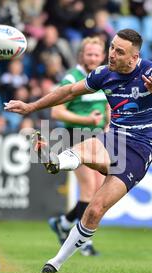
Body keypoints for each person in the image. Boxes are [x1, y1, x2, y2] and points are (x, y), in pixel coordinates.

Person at [5, 29, 152, 273]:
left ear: (133, 57)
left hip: (140, 149)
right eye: (112, 47)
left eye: (120, 51)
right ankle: (55, 161)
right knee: (88, 146)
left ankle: (57, 261)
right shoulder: (103, 74)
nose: (112, 54)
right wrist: (31, 106)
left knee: (95, 210)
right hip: (114, 137)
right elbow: (68, 92)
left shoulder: (150, 71)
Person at [48, 37, 110, 257]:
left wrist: (107, 124)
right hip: (74, 135)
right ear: (81, 55)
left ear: (102, 56)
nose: (93, 58)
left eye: (96, 54)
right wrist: (88, 121)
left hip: (97, 138)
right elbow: (56, 111)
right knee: (88, 189)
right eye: (89, 54)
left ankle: (63, 223)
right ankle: (84, 242)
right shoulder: (71, 78)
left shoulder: (103, 77)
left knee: (97, 192)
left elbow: (106, 107)